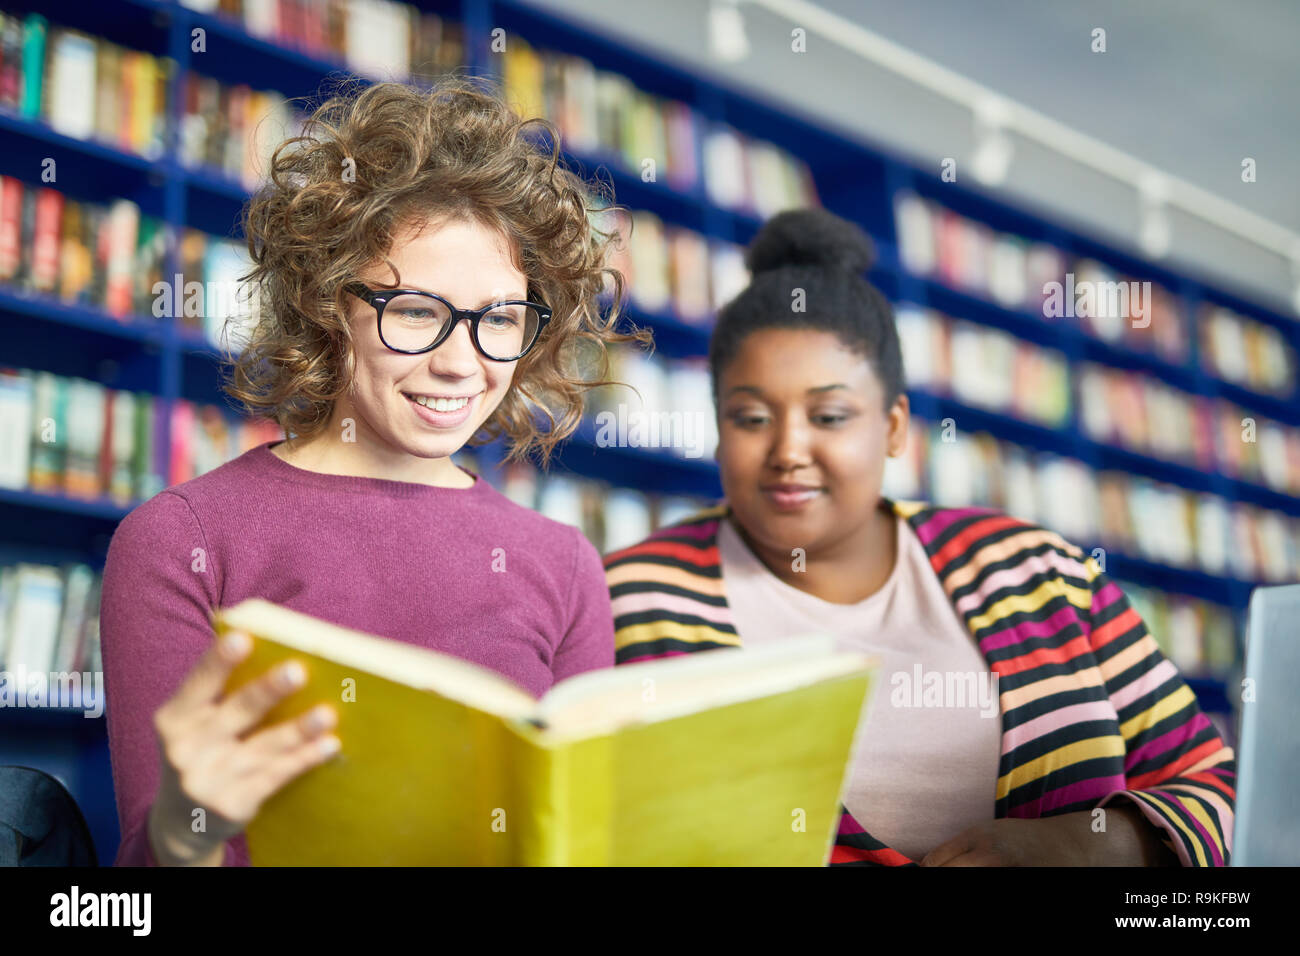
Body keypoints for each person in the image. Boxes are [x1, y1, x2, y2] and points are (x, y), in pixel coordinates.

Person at [100, 77, 646, 866]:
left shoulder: (565, 567)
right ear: (327, 303)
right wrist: (190, 824)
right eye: (418, 311)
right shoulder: (181, 540)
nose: (462, 363)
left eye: (498, 319)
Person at [604, 207, 1235, 866]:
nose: (788, 450)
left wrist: (1084, 844)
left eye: (829, 415)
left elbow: (1218, 791)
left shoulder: (1043, 573)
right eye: (751, 416)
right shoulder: (632, 597)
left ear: (895, 426)